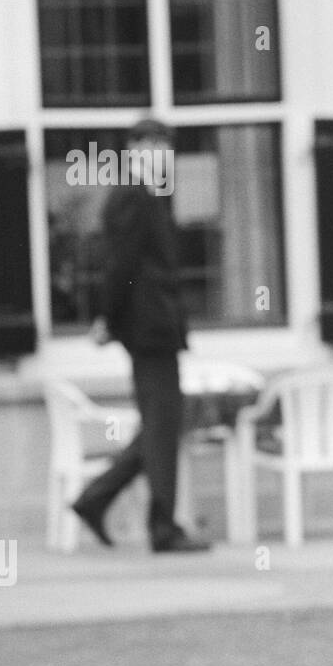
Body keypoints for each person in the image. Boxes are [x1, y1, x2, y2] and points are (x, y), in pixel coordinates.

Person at [70, 118, 208, 553]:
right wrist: (106, 317)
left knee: (161, 423)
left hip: (157, 326)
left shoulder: (150, 193)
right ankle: (162, 527)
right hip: (148, 328)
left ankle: (97, 498)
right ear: (135, 147)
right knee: (163, 424)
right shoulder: (132, 194)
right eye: (155, 144)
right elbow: (121, 266)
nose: (162, 153)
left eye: (166, 146)